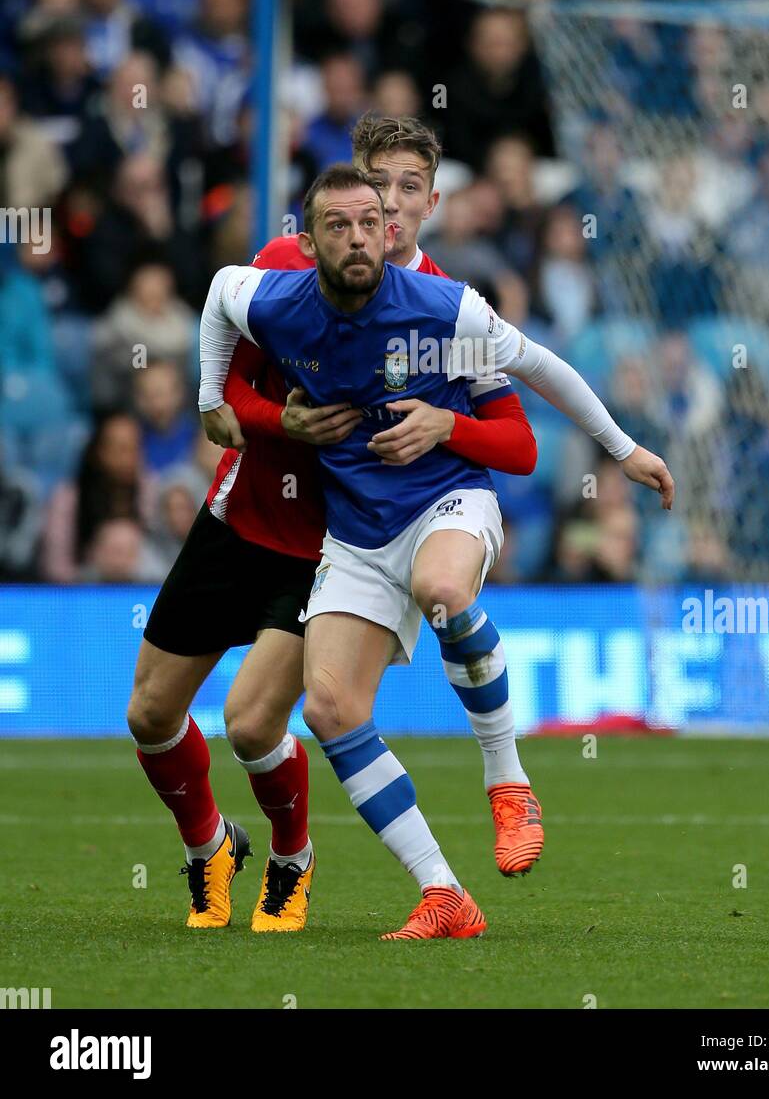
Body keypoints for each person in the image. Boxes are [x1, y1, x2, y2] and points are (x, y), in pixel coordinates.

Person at [199, 164, 674, 939]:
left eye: (375, 217)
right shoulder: (278, 299)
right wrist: (208, 397)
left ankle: (508, 780)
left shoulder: (447, 307)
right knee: (328, 708)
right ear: (308, 239)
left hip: (447, 504)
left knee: (444, 588)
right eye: (342, 224)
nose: (362, 234)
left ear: (401, 222)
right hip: (355, 531)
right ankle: (443, 892)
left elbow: (541, 373)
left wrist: (622, 449)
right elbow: (220, 296)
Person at [127, 153, 538, 936]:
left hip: (324, 542)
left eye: (406, 191)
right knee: (148, 713)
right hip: (237, 516)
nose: (386, 210)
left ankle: (292, 859)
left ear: (424, 204)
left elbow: (516, 429)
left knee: (254, 724)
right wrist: (277, 420)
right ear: (325, 216)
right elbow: (227, 395)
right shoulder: (284, 268)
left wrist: (448, 431)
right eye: (374, 189)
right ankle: (210, 846)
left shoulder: (437, 305)